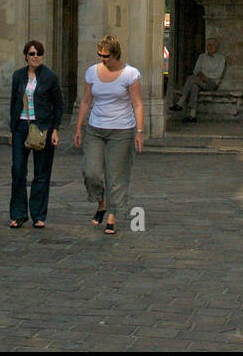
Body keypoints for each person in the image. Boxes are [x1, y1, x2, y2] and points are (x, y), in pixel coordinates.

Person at [74, 35, 143, 235]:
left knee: (116, 175)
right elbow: (86, 100)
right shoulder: (92, 72)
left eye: (106, 56)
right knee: (91, 171)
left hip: (121, 130)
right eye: (100, 55)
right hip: (96, 128)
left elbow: (137, 103)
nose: (102, 59)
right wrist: (79, 127)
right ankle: (101, 203)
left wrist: (139, 131)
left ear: (115, 54)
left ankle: (112, 215)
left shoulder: (130, 74)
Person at [8, 41, 64, 228]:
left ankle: (39, 215)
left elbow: (58, 104)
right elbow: (13, 103)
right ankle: (18, 213)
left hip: (42, 128)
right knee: (18, 170)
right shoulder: (18, 76)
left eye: (39, 53)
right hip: (21, 127)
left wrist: (55, 129)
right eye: (32, 53)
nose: (36, 56)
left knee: (41, 172)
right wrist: (12, 129)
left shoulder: (50, 77)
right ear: (26, 55)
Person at [169, 38, 226, 121]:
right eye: (208, 45)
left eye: (212, 45)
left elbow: (218, 74)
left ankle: (180, 102)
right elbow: (196, 70)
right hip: (199, 81)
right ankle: (192, 116)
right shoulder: (202, 57)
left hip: (212, 83)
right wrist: (201, 76)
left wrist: (205, 77)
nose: (210, 47)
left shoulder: (221, 58)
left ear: (216, 47)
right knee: (194, 86)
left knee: (191, 78)